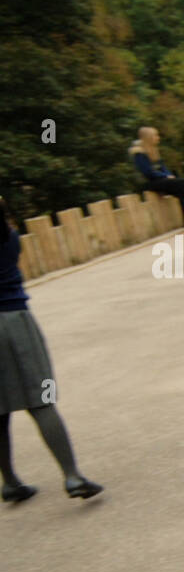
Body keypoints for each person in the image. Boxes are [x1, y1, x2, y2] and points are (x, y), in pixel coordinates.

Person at [0, 198, 103, 503]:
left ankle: (10, 482)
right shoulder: (10, 239)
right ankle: (72, 476)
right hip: (15, 323)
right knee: (42, 401)